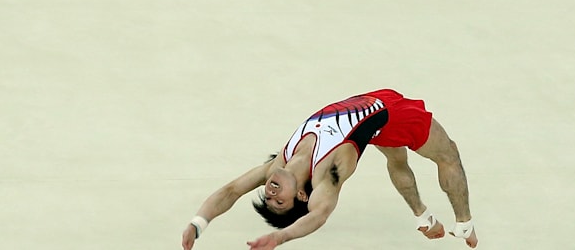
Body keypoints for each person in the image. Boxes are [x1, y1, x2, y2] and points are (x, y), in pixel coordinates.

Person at [179, 89, 479, 249]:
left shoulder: (276, 165)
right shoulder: (329, 172)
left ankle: (423, 217)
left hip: (369, 101)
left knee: (396, 159)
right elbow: (319, 214)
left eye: (267, 198)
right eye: (279, 202)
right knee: (448, 155)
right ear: (301, 195)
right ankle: (464, 224)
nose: (270, 194)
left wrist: (198, 223)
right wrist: (281, 238)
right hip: (391, 114)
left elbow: (231, 190)